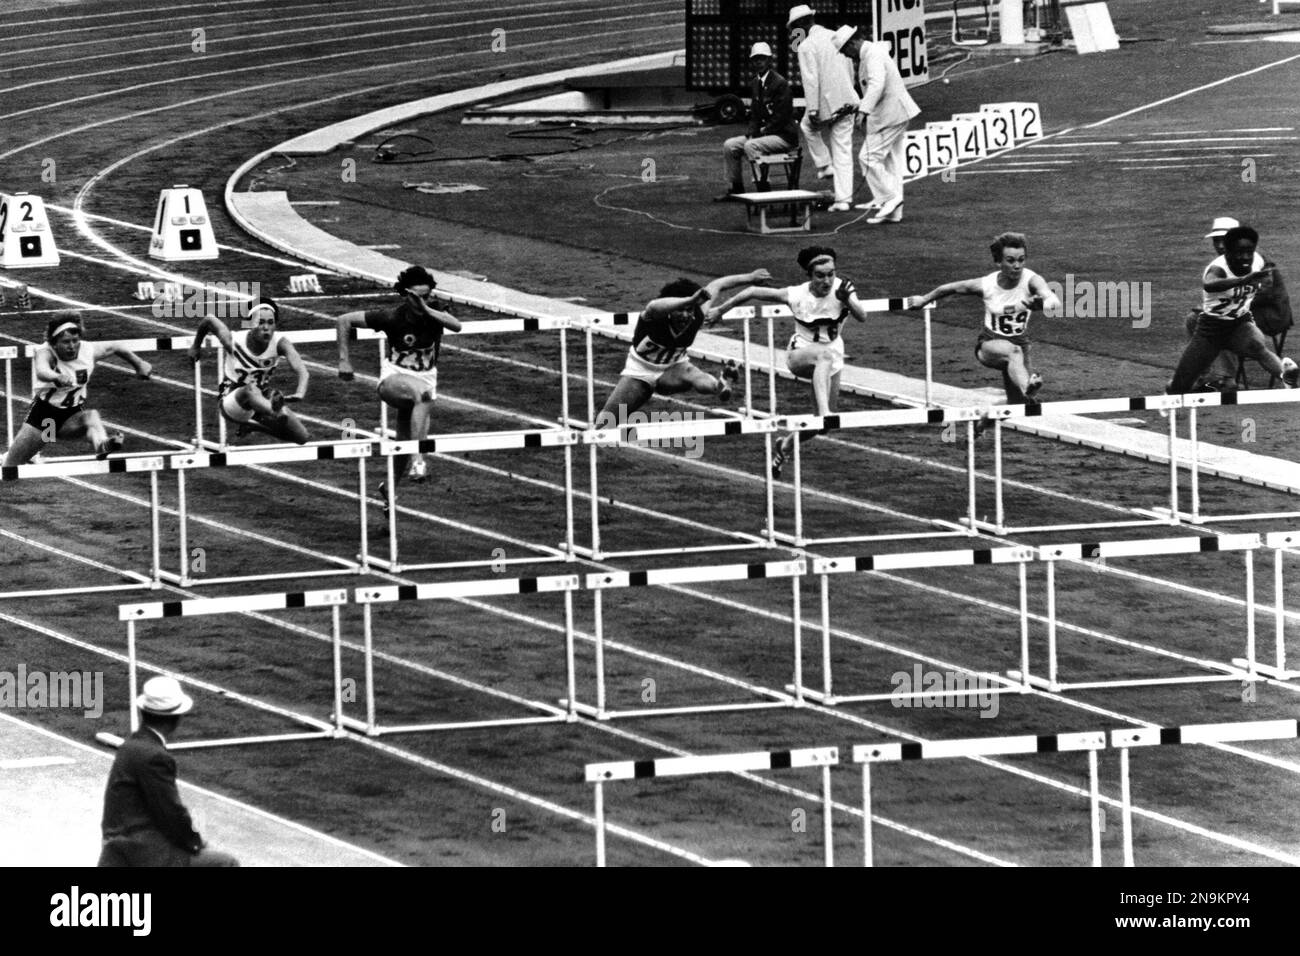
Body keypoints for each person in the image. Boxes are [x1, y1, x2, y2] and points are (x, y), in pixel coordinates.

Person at [706, 247, 873, 477]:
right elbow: (752, 291)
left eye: (831, 274)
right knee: (822, 360)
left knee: (823, 427)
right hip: (800, 355)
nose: (827, 280)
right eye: (820, 275)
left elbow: (862, 316)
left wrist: (847, 301)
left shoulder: (842, 289)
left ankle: (785, 445)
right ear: (809, 275)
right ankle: (825, 412)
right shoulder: (795, 294)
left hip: (832, 356)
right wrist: (721, 310)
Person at [907, 232, 1061, 430]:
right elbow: (950, 288)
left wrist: (1043, 303)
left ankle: (980, 424)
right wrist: (923, 299)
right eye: (1011, 260)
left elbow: (1052, 299)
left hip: (1020, 347)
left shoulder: (1031, 280)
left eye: (1021, 260)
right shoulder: (986, 285)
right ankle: (1027, 387)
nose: (1017, 266)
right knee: (1013, 353)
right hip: (989, 346)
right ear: (999, 262)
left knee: (1017, 406)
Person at [594, 270, 770, 430]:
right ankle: (595, 439)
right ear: (671, 310)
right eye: (680, 310)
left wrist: (751, 277)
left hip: (674, 367)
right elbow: (653, 305)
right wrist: (690, 300)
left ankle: (721, 383)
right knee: (607, 421)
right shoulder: (655, 316)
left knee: (698, 378)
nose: (686, 315)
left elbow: (718, 285)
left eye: (689, 311)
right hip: (640, 371)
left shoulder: (698, 313)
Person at [337, 265, 461, 489]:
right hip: (394, 379)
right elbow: (343, 320)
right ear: (405, 295)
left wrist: (427, 308)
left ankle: (389, 490)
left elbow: (457, 326)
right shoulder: (393, 317)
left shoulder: (436, 313)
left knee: (404, 440)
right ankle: (419, 460)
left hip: (426, 378)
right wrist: (344, 360)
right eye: (416, 297)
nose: (422, 301)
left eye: (426, 296)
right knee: (422, 396)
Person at [98, 676, 239, 867]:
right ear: (176, 719)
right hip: (143, 853)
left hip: (116, 851)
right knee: (226, 863)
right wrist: (196, 844)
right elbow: (171, 813)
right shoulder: (155, 757)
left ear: (143, 711)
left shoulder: (129, 747)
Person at [2, 313, 152, 466]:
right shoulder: (45, 352)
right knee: (9, 470)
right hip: (43, 418)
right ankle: (11, 458)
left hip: (69, 416)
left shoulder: (88, 350)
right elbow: (41, 370)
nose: (72, 346)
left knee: (91, 416)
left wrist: (139, 364)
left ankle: (101, 445)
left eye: (75, 340)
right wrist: (56, 377)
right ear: (54, 343)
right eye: (66, 342)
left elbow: (116, 347)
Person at [1167, 224, 1299, 395]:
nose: (1245, 257)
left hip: (1239, 323)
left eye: (1249, 252)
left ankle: (1287, 379)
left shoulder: (1258, 261)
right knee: (1180, 386)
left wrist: (1265, 283)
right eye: (1239, 253)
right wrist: (1242, 281)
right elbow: (1209, 284)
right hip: (1211, 329)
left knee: (1257, 348)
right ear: (1227, 252)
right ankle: (1171, 396)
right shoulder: (1218, 268)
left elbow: (1268, 285)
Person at [188, 297, 310, 444]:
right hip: (232, 400)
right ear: (251, 324)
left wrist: (300, 392)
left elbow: (302, 370)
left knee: (302, 437)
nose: (266, 328)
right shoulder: (234, 341)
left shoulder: (280, 343)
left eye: (270, 323)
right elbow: (209, 320)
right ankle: (274, 411)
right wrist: (196, 345)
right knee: (250, 389)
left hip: (260, 401)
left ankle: (253, 425)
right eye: (261, 322)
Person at [834, 26, 921, 223]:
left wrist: (863, 111)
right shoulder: (869, 54)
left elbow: (876, 84)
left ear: (852, 43)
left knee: (868, 157)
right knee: (891, 163)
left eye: (846, 51)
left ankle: (890, 198)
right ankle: (893, 212)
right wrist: (858, 107)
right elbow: (871, 88)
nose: (847, 56)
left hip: (892, 114)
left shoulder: (872, 54)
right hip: (892, 113)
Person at [788, 5, 859, 212]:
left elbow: (811, 80)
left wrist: (812, 109)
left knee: (807, 126)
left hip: (825, 105)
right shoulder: (836, 36)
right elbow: (849, 69)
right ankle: (843, 199)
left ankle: (825, 165)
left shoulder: (806, 46)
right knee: (843, 149)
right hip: (847, 100)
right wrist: (849, 93)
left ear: (800, 24)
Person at [716, 42, 800, 200]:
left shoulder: (780, 83)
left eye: (762, 59)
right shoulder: (755, 83)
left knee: (751, 145)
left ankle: (763, 186)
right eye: (756, 59)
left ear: (769, 60)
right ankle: (736, 188)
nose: (759, 62)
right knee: (730, 145)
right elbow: (755, 114)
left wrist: (763, 131)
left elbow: (782, 116)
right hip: (765, 135)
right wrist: (752, 132)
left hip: (783, 136)